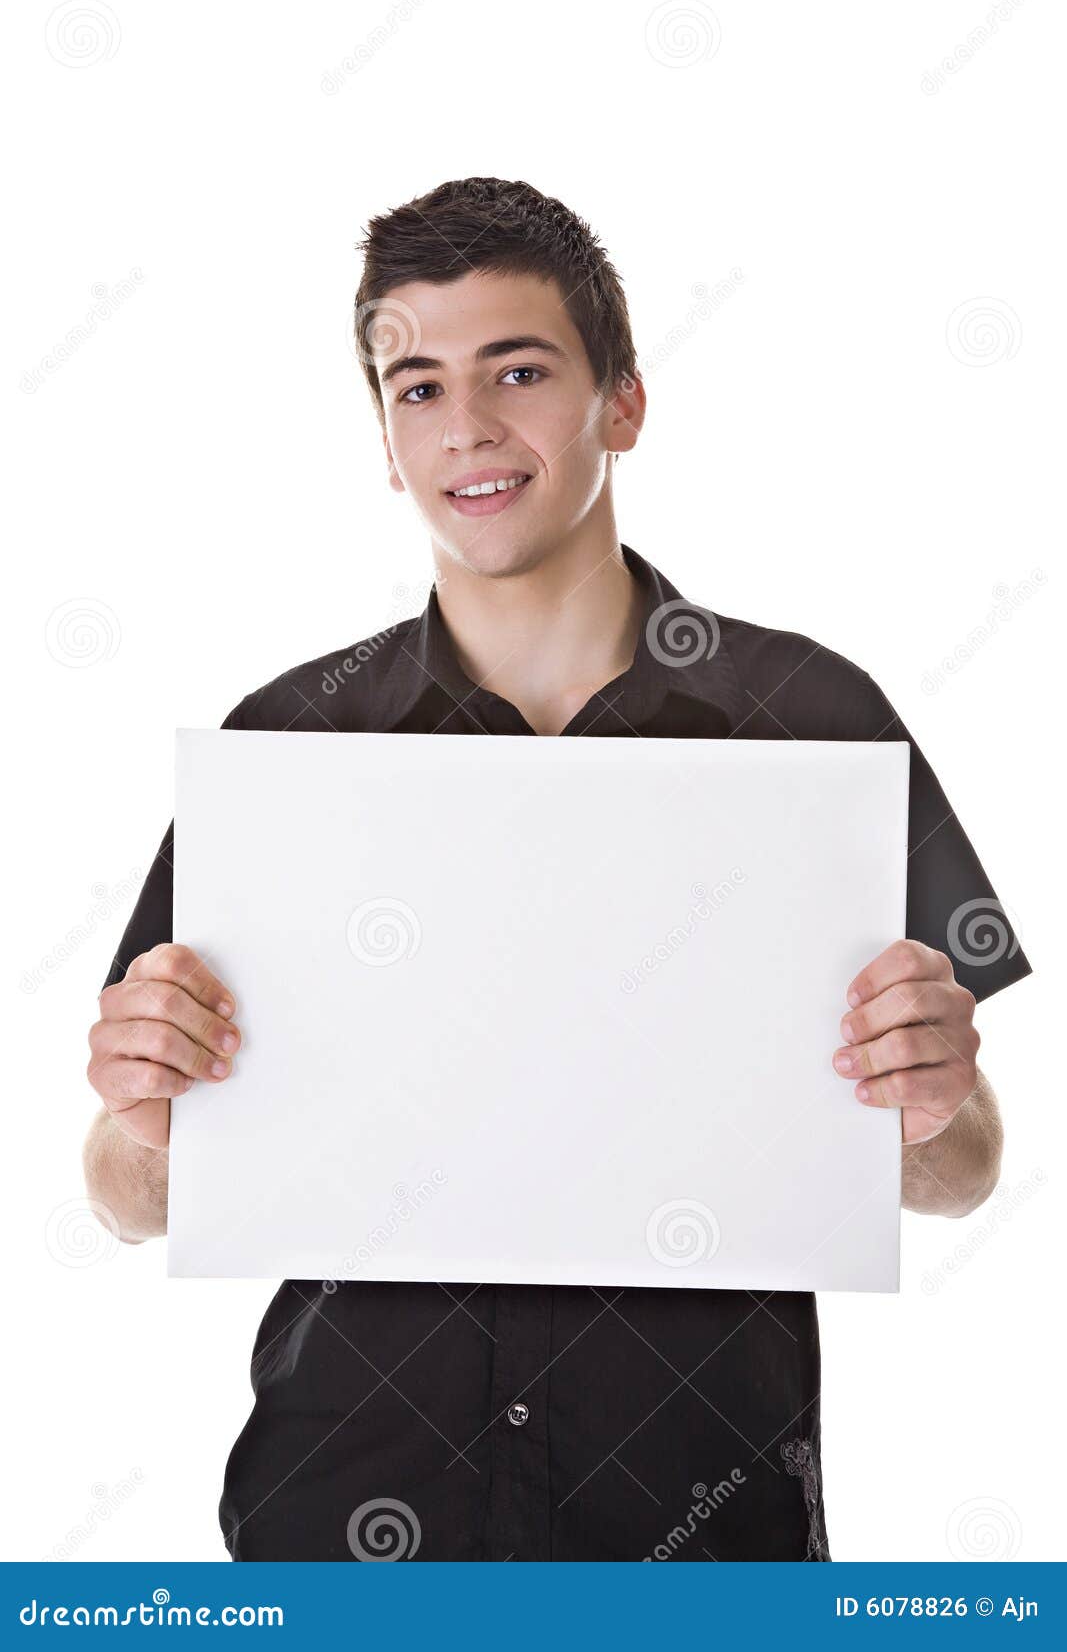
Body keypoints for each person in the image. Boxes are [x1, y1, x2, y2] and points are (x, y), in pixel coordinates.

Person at [83, 177, 1031, 1562]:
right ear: (386, 439)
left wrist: (937, 1098)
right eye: (417, 388)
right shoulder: (288, 744)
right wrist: (141, 1118)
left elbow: (962, 1168)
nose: (465, 425)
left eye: (517, 371)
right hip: (341, 1537)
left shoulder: (809, 718)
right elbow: (128, 1193)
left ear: (622, 403)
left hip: (702, 1544)